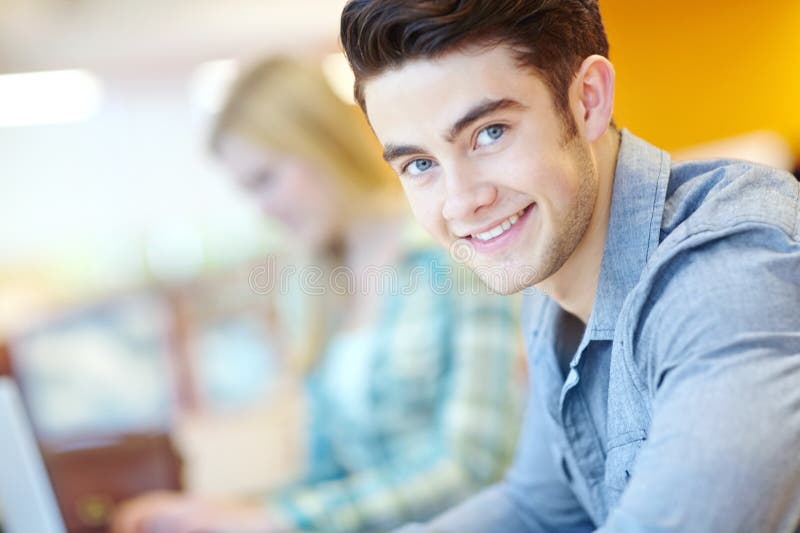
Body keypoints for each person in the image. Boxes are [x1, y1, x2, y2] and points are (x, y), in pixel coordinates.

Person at [337, 0, 800, 531]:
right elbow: (538, 510)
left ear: (587, 99)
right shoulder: (549, 277)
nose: (460, 201)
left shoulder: (728, 277)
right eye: (420, 165)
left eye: (490, 132)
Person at [110, 56, 523, 533]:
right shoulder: (315, 288)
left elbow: (471, 468)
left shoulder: (453, 254)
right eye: (248, 191)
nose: (263, 210)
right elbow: (330, 476)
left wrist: (273, 519)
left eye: (266, 179)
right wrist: (214, 515)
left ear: (319, 144)